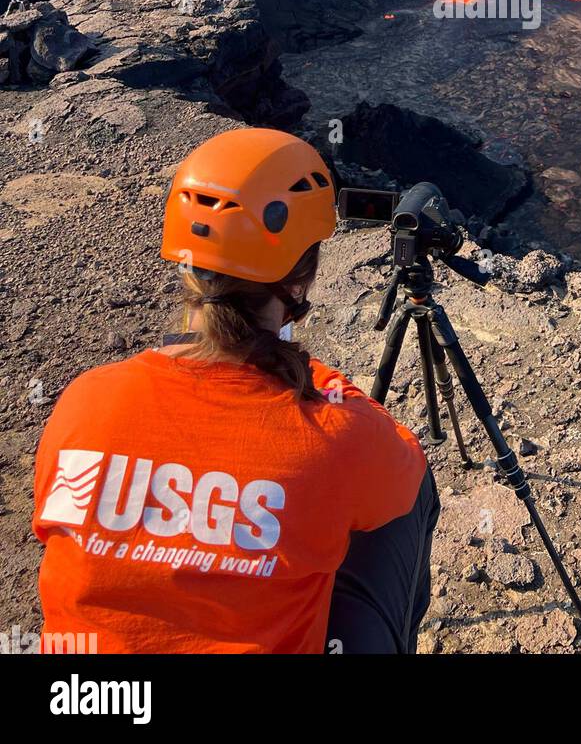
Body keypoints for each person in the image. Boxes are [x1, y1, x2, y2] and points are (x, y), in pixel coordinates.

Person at [33, 127, 439, 654]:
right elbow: (401, 470)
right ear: (300, 281)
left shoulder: (84, 401)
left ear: (186, 266)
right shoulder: (337, 432)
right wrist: (309, 377)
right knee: (408, 490)